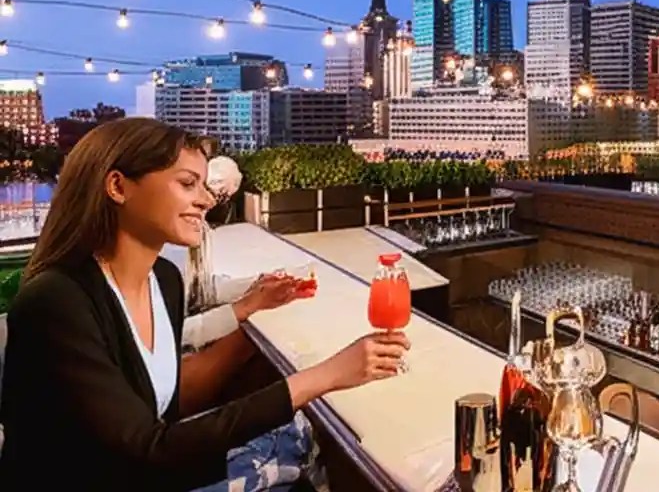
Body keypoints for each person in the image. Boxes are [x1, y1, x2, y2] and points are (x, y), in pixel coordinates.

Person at [0, 118, 409, 490]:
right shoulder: (56, 302)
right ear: (118, 186)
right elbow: (146, 447)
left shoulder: (164, 279)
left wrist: (252, 320)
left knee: (301, 438)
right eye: (187, 183)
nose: (206, 200)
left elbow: (165, 404)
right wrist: (326, 376)